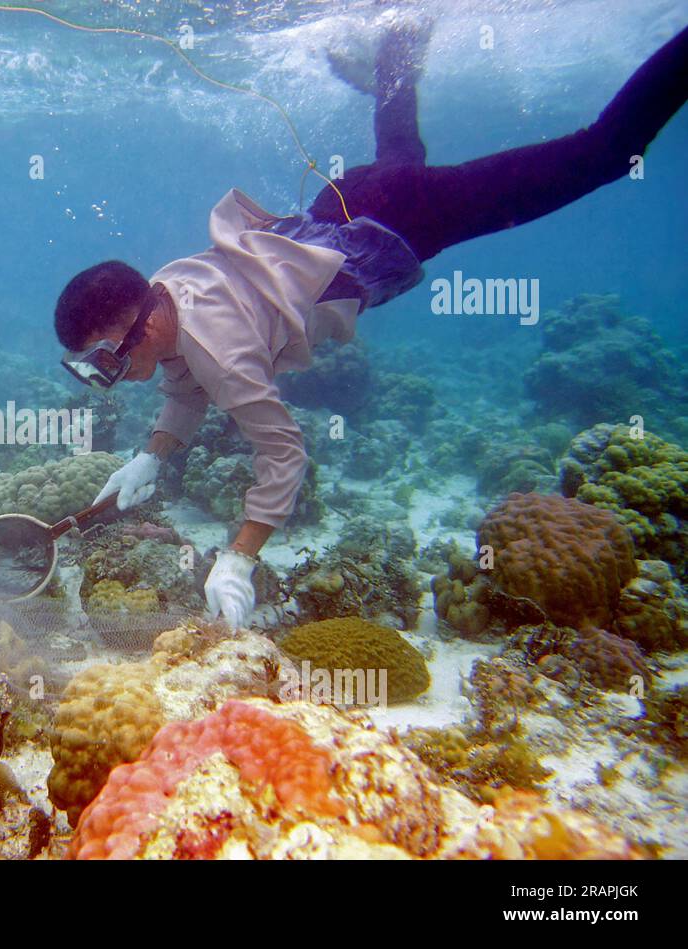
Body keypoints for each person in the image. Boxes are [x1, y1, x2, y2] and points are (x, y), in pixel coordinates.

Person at [55, 19, 688, 629]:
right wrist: (151, 457)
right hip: (342, 202)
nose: (110, 378)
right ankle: (397, 45)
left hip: (406, 219)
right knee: (399, 153)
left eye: (107, 360)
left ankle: (404, 53)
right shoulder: (165, 286)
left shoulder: (220, 351)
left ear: (143, 321)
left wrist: (239, 558)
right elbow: (182, 383)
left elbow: (282, 453)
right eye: (92, 368)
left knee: (605, 152)